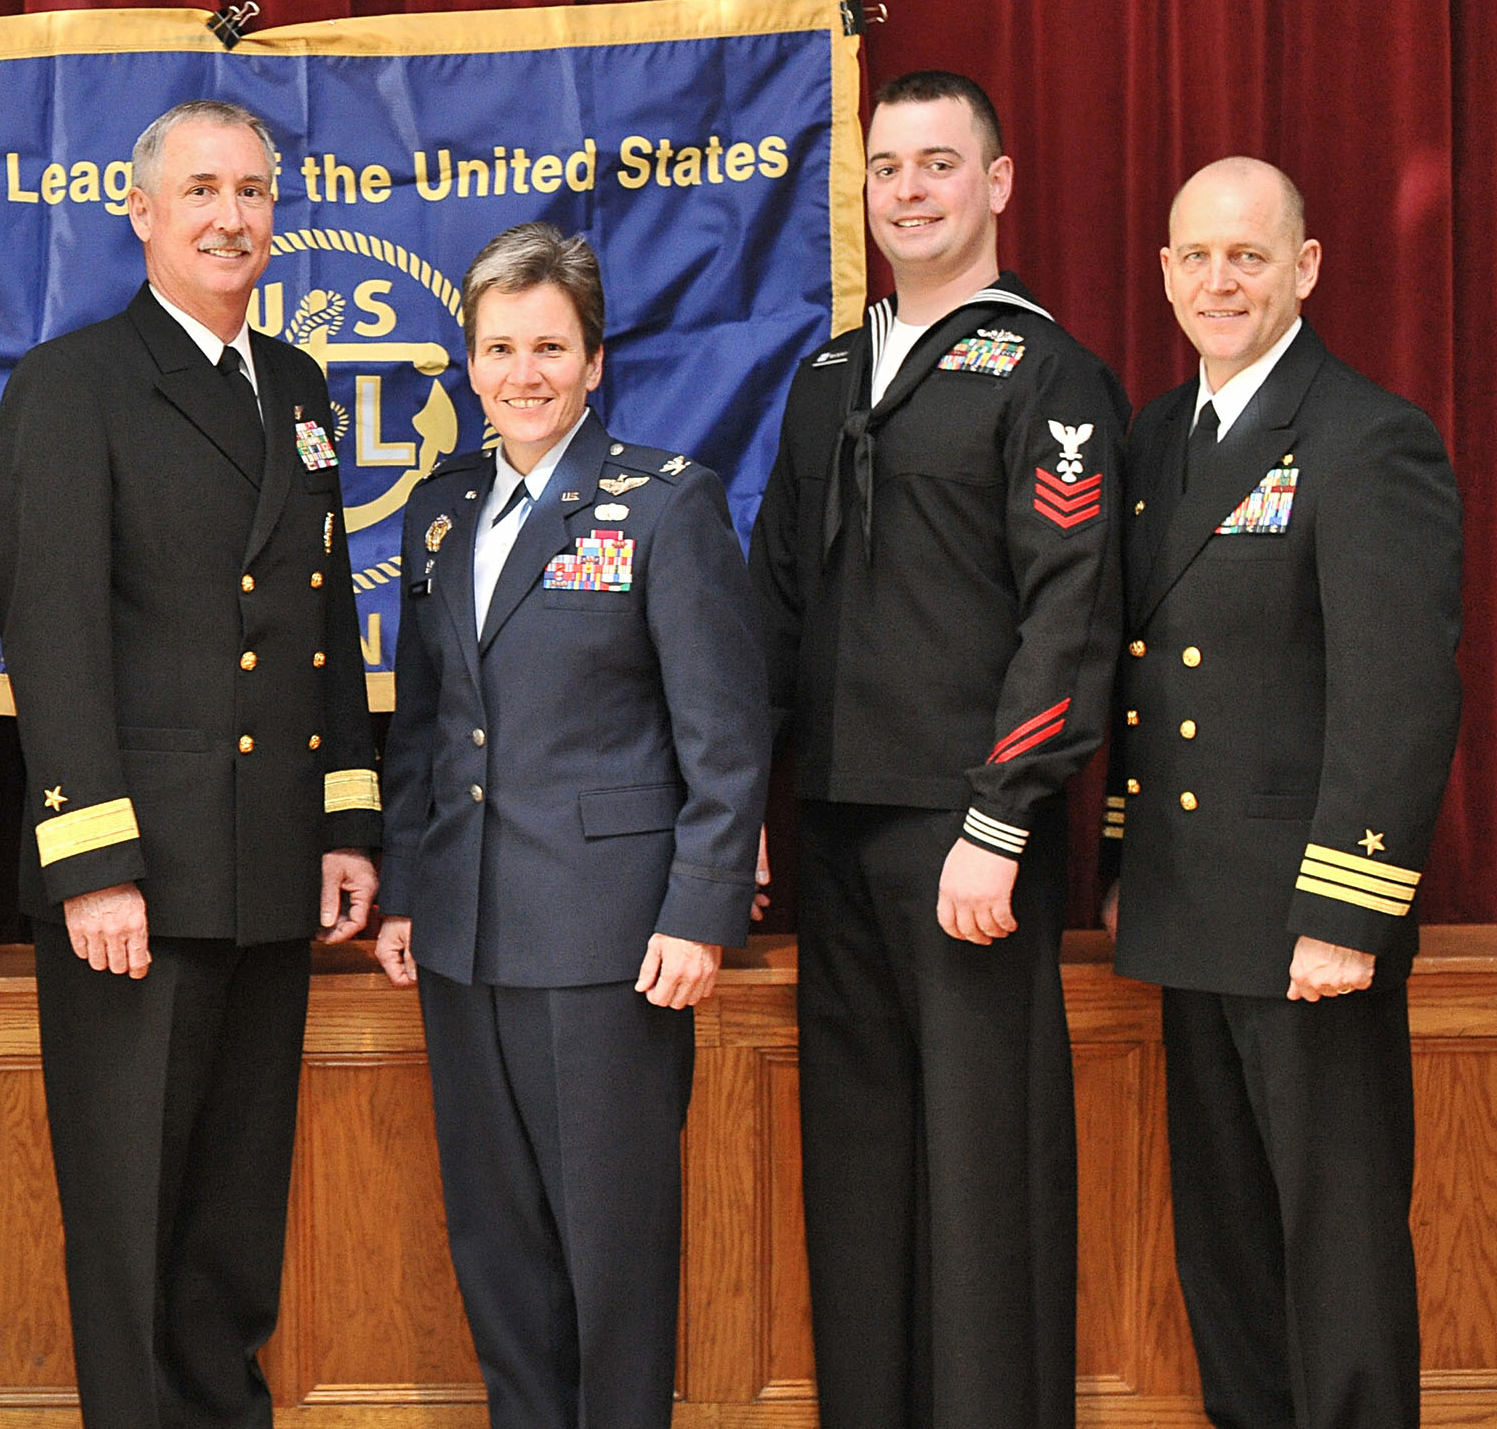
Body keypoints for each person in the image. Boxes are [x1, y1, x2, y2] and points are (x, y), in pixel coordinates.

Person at [0, 98, 380, 1429]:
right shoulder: (72, 386)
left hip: (267, 865)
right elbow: (53, 635)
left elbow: (324, 620)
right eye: (202, 190)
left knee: (228, 1224)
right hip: (135, 883)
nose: (232, 216)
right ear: (141, 211)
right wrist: (92, 861)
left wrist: (345, 825)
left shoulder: (302, 387)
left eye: (255, 191)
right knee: (134, 1229)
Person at [746, 70, 1129, 1427]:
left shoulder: (1047, 371)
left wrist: (1004, 817)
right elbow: (776, 601)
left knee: (981, 1178)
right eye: (888, 166)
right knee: (858, 1170)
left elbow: (1070, 615)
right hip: (838, 826)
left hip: (969, 844)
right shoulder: (830, 375)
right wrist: (746, 805)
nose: (910, 190)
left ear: (997, 184)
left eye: (939, 164)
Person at [372, 222, 770, 1429]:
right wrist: (405, 888)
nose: (522, 372)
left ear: (595, 361)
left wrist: (701, 914)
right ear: (470, 362)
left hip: (611, 943)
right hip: (465, 935)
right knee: (498, 1248)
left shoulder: (666, 503)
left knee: (612, 1256)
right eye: (499, 348)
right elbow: (426, 726)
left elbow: (724, 733)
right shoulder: (440, 517)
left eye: (549, 346)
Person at [1102, 157, 1459, 1429]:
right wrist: (1122, 855)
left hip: (1309, 921)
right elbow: (1148, 673)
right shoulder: (1155, 437)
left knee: (1339, 1247)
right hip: (1194, 908)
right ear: (1163, 274)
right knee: (1231, 1250)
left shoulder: (1367, 436)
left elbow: (1400, 697)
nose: (1219, 280)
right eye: (1195, 256)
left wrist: (1349, 911)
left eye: (1248, 255)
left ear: (1304, 268)